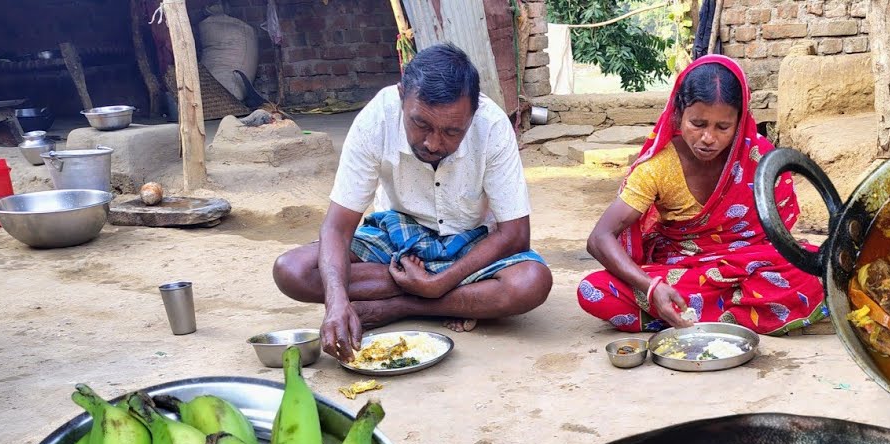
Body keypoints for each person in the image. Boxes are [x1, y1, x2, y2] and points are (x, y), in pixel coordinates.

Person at [272, 43, 552, 361]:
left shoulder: (492, 126)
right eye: (421, 124)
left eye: (451, 131)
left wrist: (438, 283)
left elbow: (516, 234)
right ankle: (446, 298)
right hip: (395, 235)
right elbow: (337, 228)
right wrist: (336, 301)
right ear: (402, 95)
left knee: (531, 282)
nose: (433, 143)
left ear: (473, 115)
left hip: (472, 242)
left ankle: (403, 306)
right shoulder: (375, 119)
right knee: (292, 271)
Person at [577, 55, 827, 336]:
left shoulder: (759, 156)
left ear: (740, 122)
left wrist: (742, 265)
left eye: (723, 127)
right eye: (698, 124)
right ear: (678, 114)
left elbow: (779, 237)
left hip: (751, 263)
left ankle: (683, 315)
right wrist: (653, 288)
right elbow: (599, 238)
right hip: (683, 269)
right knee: (594, 289)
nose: (708, 138)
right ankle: (728, 311)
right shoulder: (658, 168)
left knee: (821, 267)